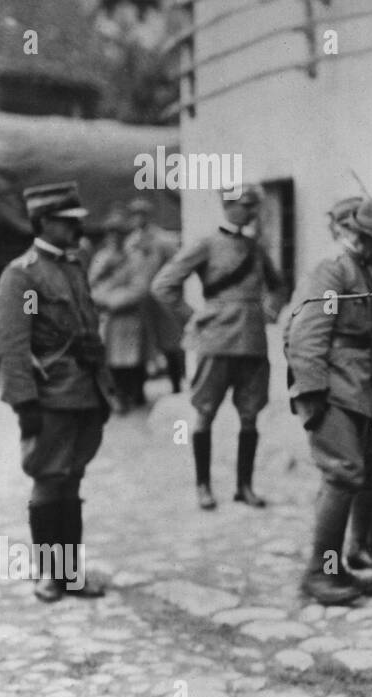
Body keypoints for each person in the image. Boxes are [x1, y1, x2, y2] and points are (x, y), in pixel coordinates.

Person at [0, 182, 112, 602]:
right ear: (44, 222)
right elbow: (12, 343)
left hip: (85, 391)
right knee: (49, 480)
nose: (77, 229)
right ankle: (50, 575)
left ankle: (71, 574)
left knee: (72, 480)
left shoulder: (73, 267)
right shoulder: (23, 275)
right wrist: (25, 403)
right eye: (67, 222)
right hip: (50, 396)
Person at [287, 198, 372, 605]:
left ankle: (334, 566)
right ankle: (317, 576)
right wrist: (311, 394)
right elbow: (307, 335)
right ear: (365, 238)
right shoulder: (333, 270)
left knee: (349, 477)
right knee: (341, 475)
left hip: (357, 387)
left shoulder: (365, 271)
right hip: (331, 389)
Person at [151, 185, 284, 511]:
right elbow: (163, 285)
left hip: (252, 341)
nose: (252, 213)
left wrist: (270, 310)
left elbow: (277, 285)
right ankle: (203, 486)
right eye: (245, 206)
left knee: (250, 414)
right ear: (228, 206)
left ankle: (245, 486)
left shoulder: (255, 248)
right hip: (217, 341)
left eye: (254, 207)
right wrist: (195, 316)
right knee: (205, 412)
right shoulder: (205, 244)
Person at [89, 208, 151, 413]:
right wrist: (102, 298)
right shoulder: (101, 258)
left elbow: (139, 288)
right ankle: (118, 396)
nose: (114, 237)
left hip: (129, 316)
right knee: (111, 360)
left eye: (119, 232)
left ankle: (134, 393)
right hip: (109, 319)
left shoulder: (135, 258)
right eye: (110, 232)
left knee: (132, 360)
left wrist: (114, 300)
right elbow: (91, 285)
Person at [125, 198, 187, 394]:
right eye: (135, 215)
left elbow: (177, 266)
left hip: (161, 300)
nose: (139, 219)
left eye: (142, 214)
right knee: (141, 345)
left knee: (170, 342)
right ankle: (139, 392)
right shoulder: (130, 242)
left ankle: (176, 385)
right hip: (140, 300)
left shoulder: (162, 239)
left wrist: (172, 291)